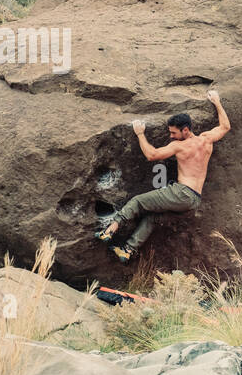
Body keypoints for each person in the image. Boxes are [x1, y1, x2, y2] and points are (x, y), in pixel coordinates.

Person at [97, 90, 230, 262]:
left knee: (137, 201)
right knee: (153, 218)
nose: (171, 136)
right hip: (194, 200)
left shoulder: (179, 146)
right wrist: (217, 101)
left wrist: (140, 134)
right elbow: (225, 126)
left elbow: (152, 155)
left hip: (181, 193)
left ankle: (109, 230)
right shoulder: (206, 139)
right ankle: (127, 250)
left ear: (185, 130)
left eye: (174, 133)